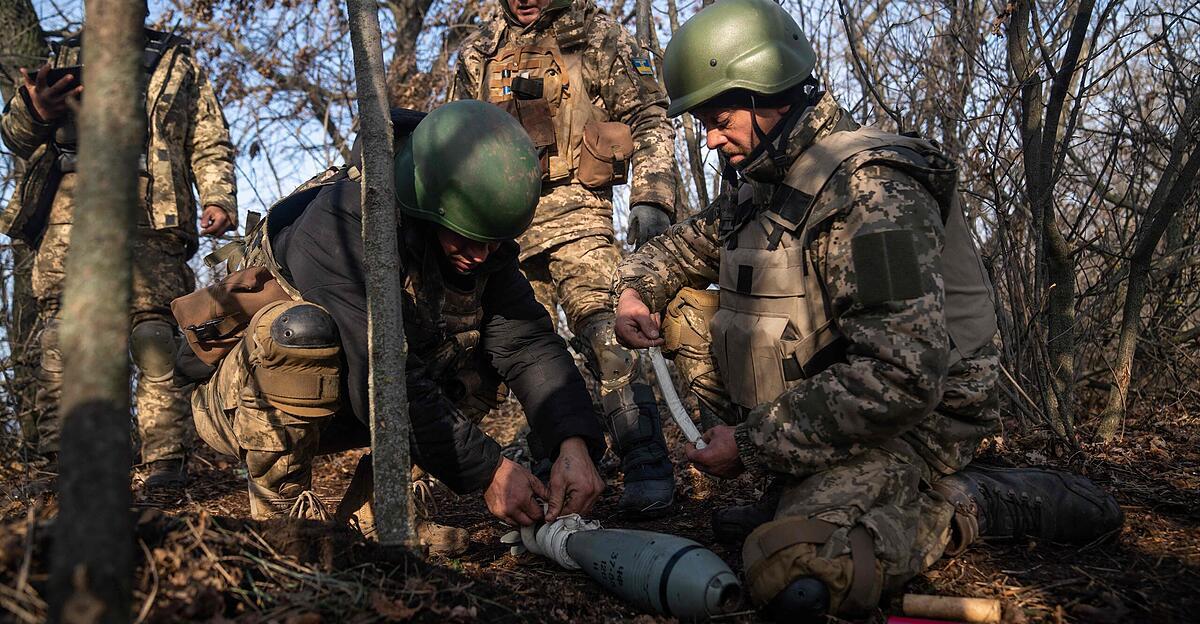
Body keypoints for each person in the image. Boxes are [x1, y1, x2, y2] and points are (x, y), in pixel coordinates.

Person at [612, 0, 1124, 619]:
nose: (711, 138)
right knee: (684, 306)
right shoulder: (762, 181)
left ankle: (968, 503)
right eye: (702, 123)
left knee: (800, 574)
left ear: (770, 92)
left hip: (922, 417)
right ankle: (796, 486)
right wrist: (636, 290)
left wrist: (750, 445)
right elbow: (678, 249)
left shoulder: (872, 191)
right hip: (839, 404)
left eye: (719, 118)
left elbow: (904, 377)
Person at [181, 101, 605, 550]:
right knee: (303, 332)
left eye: (492, 241)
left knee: (475, 354)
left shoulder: (479, 245)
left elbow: (527, 343)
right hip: (241, 404)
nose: (480, 255)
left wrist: (571, 441)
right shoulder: (342, 224)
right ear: (427, 202)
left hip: (357, 402)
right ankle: (283, 526)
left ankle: (388, 510)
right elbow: (383, 374)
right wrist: (488, 471)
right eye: (466, 237)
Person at [450, 0, 678, 515]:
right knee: (518, 354)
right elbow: (450, 138)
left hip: (578, 217)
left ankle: (646, 464)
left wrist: (652, 196)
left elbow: (648, 115)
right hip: (499, 231)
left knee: (608, 335)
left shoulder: (596, 34)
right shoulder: (479, 52)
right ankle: (556, 468)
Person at [0, 28, 237, 487]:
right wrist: (37, 111)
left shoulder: (176, 61)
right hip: (72, 211)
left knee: (153, 336)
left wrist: (218, 197)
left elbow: (208, 140)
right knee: (62, 336)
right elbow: (14, 135)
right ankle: (62, 464)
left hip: (152, 213)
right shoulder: (62, 55)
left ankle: (164, 465)